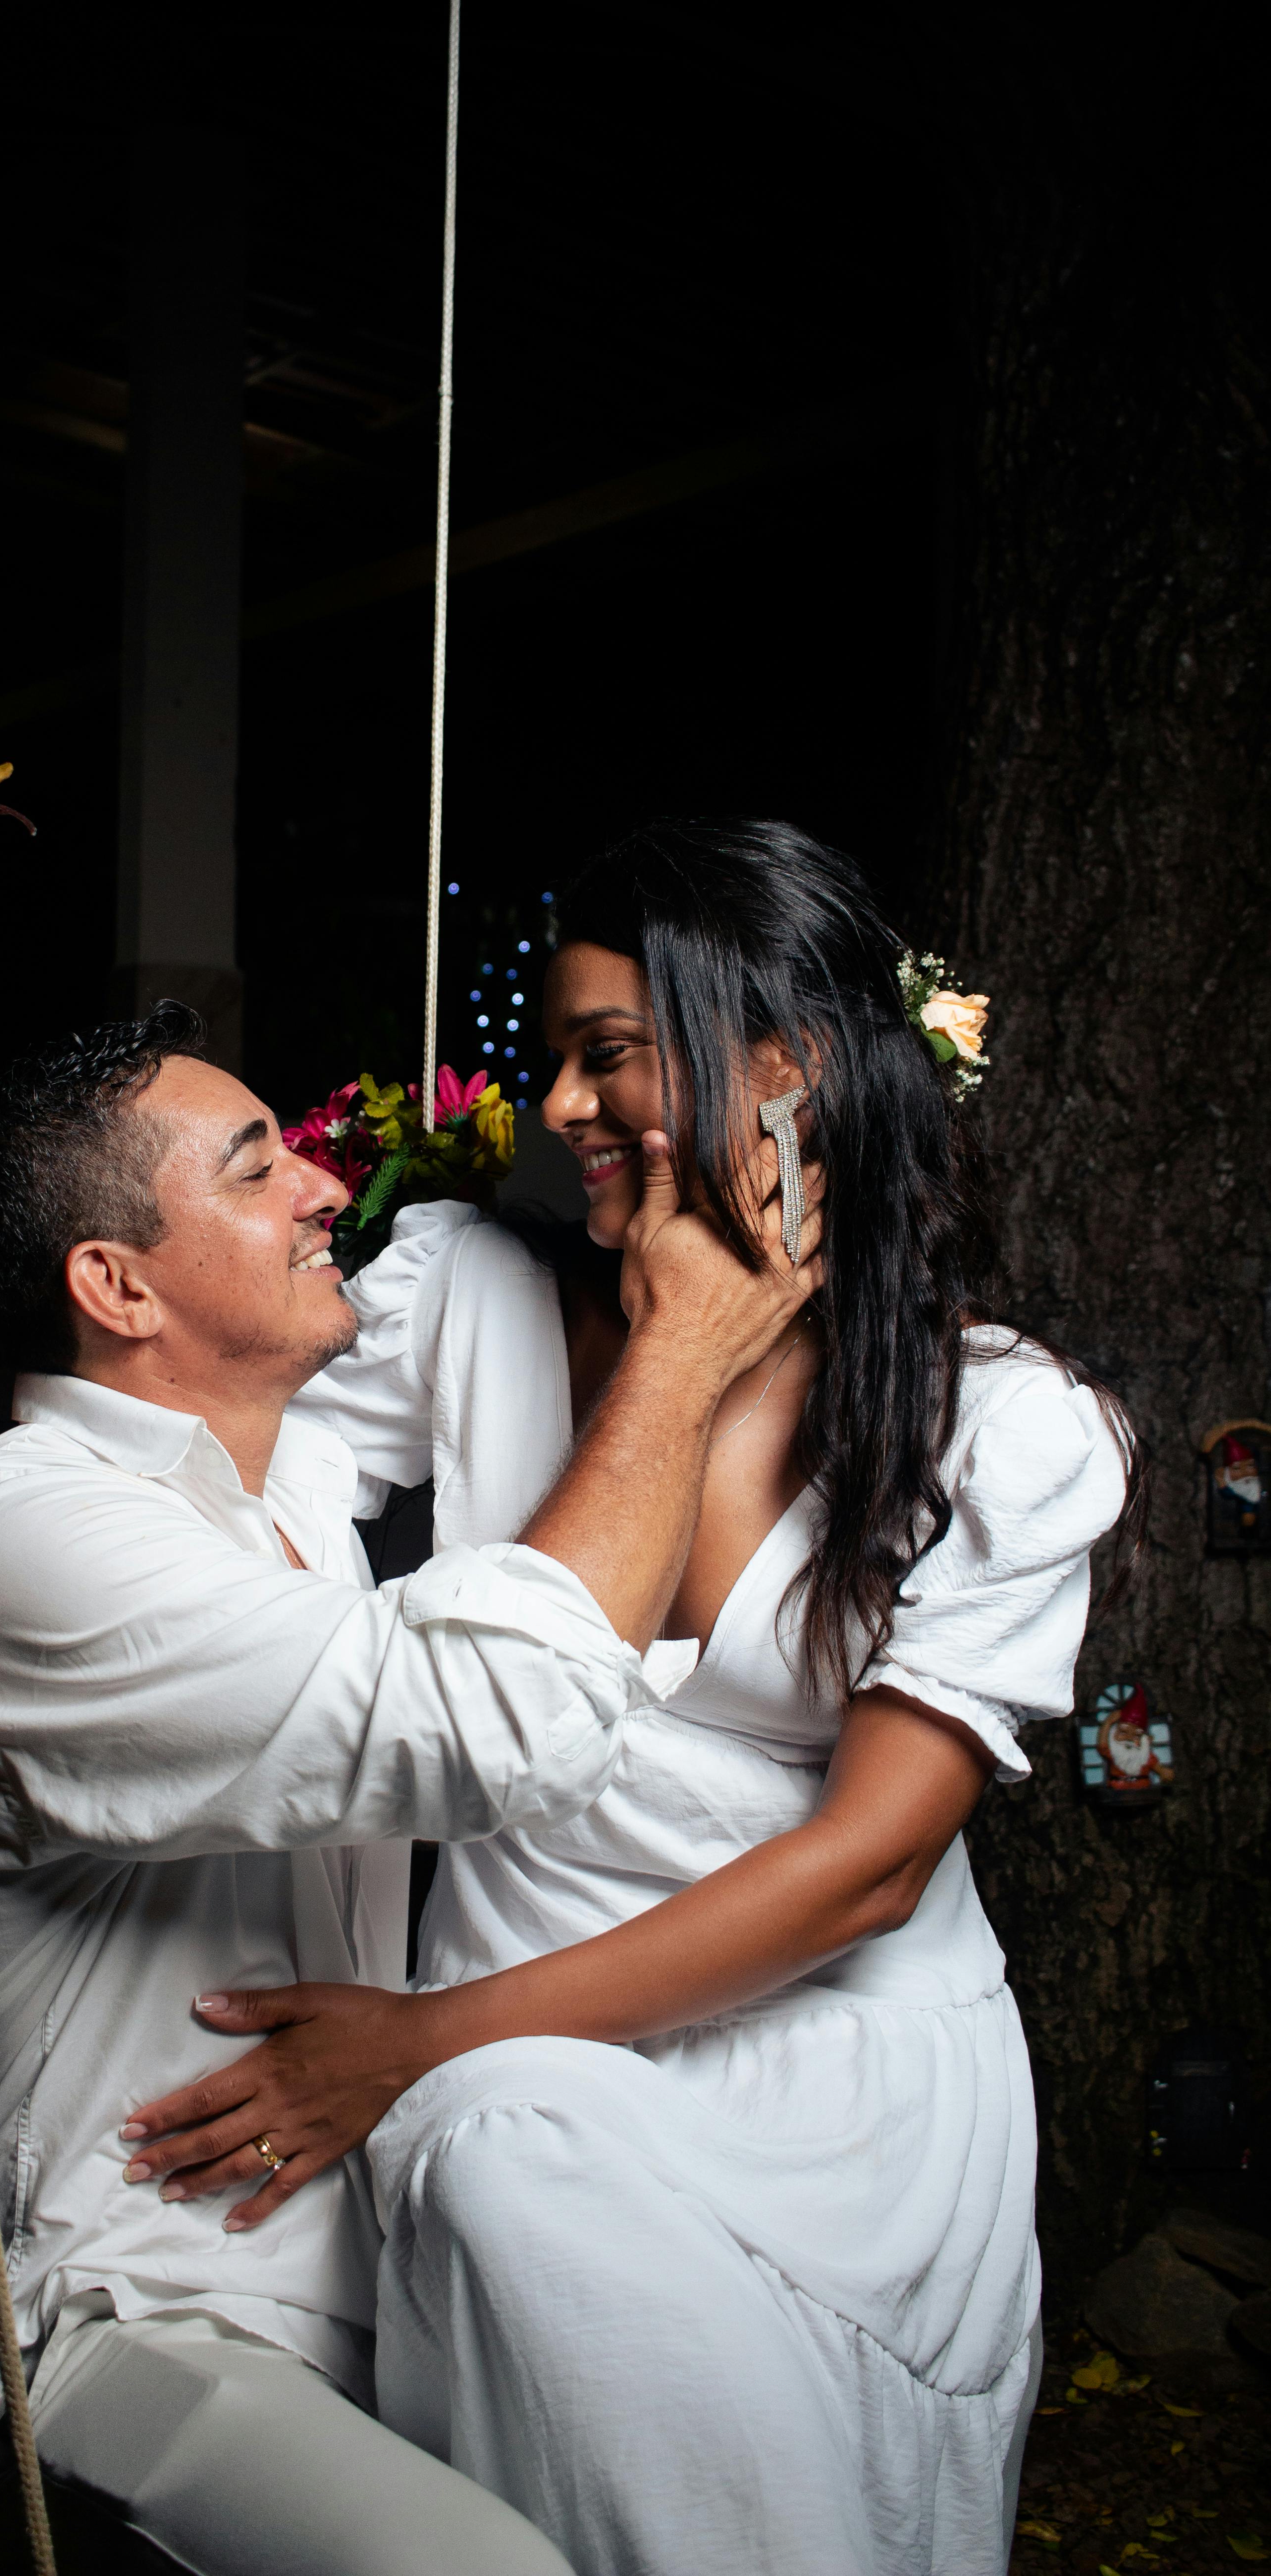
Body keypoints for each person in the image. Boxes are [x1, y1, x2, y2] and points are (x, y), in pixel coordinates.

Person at [93, 821, 1143, 2576]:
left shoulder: (1002, 1422)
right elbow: (207, 1466)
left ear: (784, 1068)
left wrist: (422, 2041)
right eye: (551, 1060)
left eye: (610, 1057)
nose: (564, 1106)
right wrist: (1, 1452)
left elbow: (873, 1867)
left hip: (839, 2095)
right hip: (526, 2089)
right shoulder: (470, 1299)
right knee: (523, 2249)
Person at [0, 999, 818, 2576]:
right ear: (112, 1283)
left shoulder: (279, 1481)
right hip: (106, 2322)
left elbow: (497, 1260)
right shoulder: (21, 1536)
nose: (325, 1188)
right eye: (258, 1173)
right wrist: (685, 1344)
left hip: (360, 2301)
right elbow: (499, 1712)